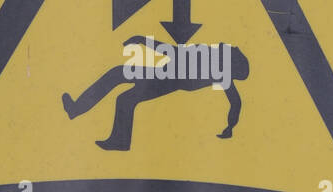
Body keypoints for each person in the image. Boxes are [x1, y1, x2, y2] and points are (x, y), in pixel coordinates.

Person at [62, 38, 250, 150]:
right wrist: (230, 127)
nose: (228, 46)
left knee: (124, 97)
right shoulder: (219, 72)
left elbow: (171, 51)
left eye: (232, 51)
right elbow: (236, 102)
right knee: (119, 80)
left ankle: (118, 140)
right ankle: (78, 110)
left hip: (165, 80)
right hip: (161, 74)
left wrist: (142, 40)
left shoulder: (215, 67)